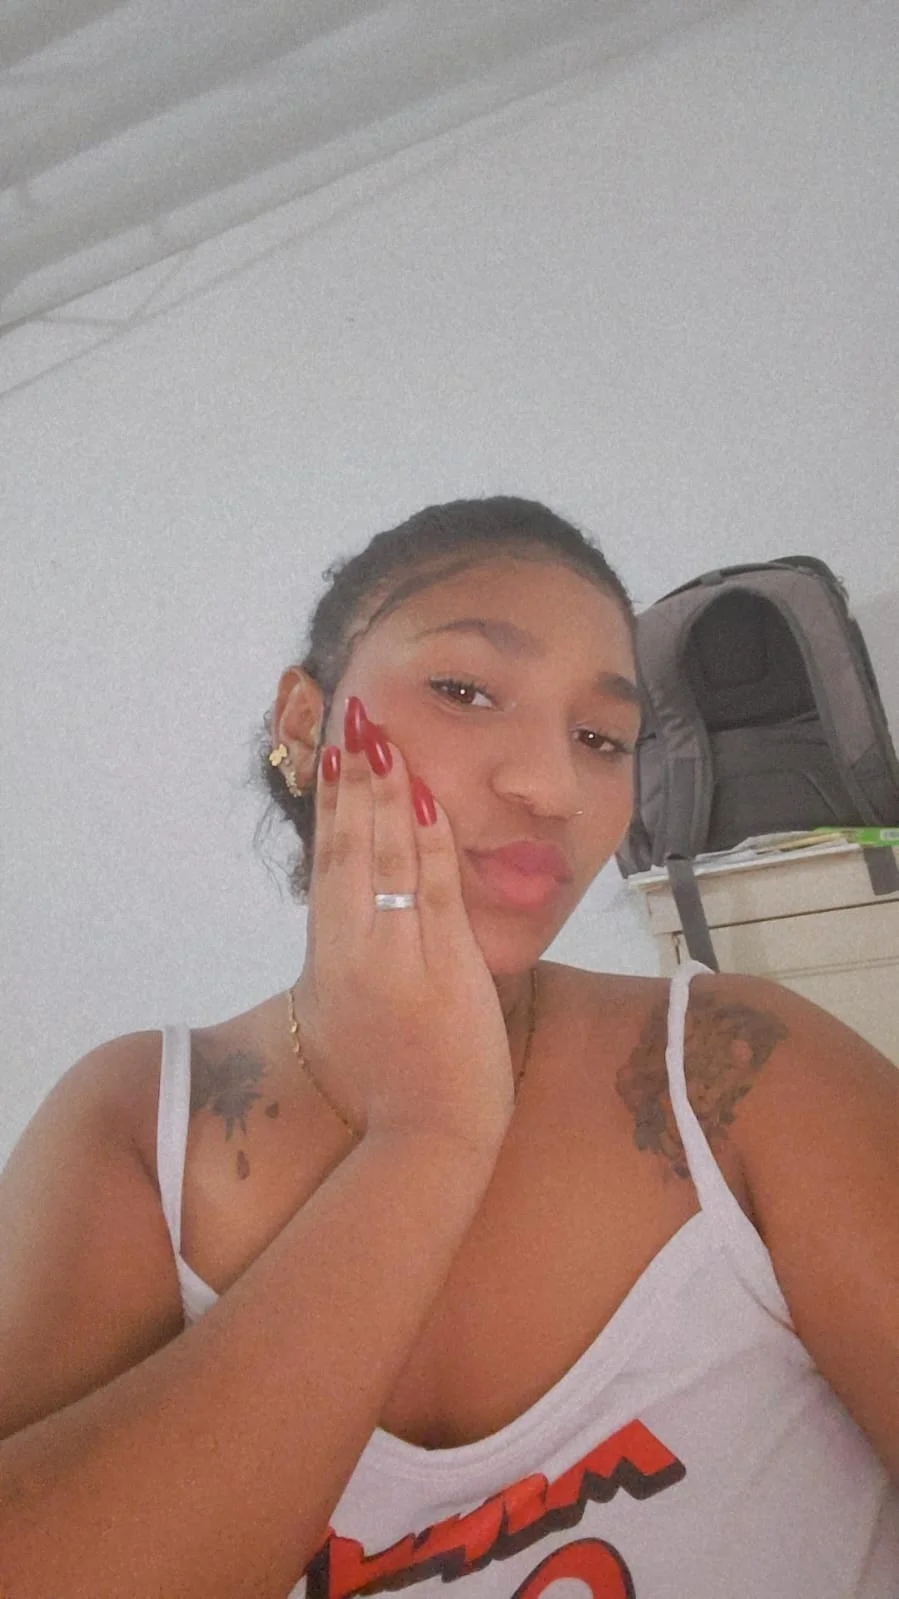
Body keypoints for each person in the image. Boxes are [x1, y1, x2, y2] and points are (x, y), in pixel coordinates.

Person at [0, 496, 896, 1598]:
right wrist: (428, 1135)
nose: (550, 787)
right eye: (465, 691)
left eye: (601, 739)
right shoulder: (138, 1129)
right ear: (303, 723)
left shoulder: (744, 1073)